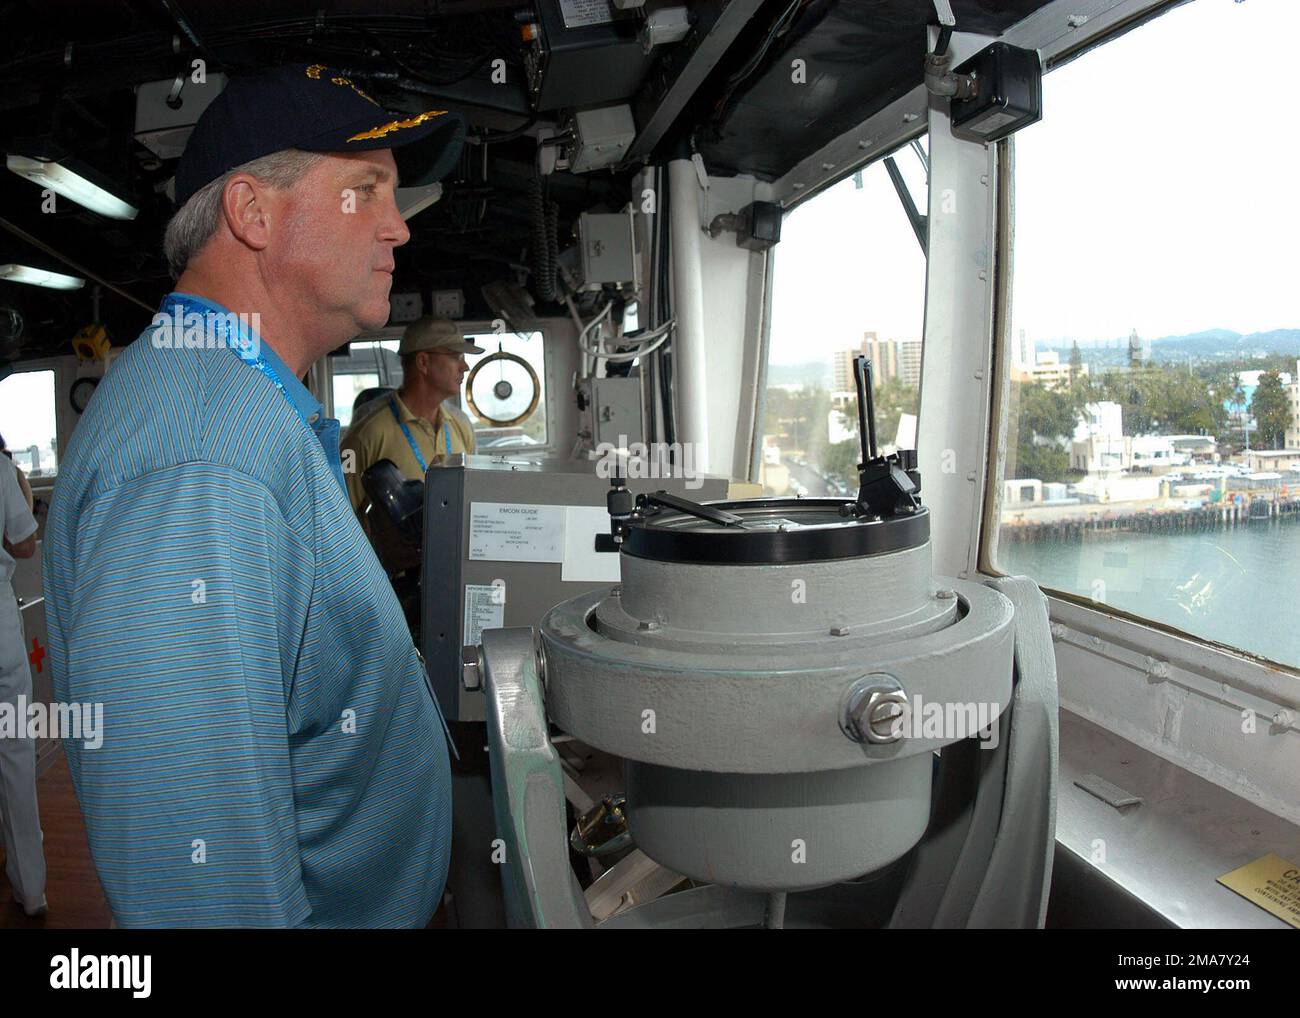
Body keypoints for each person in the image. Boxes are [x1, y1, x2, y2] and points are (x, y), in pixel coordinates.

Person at [42, 63, 464, 927]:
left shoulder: (240, 405)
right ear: (253, 213)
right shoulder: (200, 461)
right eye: (366, 190)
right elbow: (203, 894)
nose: (398, 227)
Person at [341, 316, 480, 530]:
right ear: (423, 362)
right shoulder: (367, 434)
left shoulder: (461, 425)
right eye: (455, 356)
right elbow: (338, 518)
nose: (465, 366)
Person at [0, 434, 46, 918]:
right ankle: (31, 889)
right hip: (1, 636)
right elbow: (26, 544)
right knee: (14, 754)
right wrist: (20, 485)